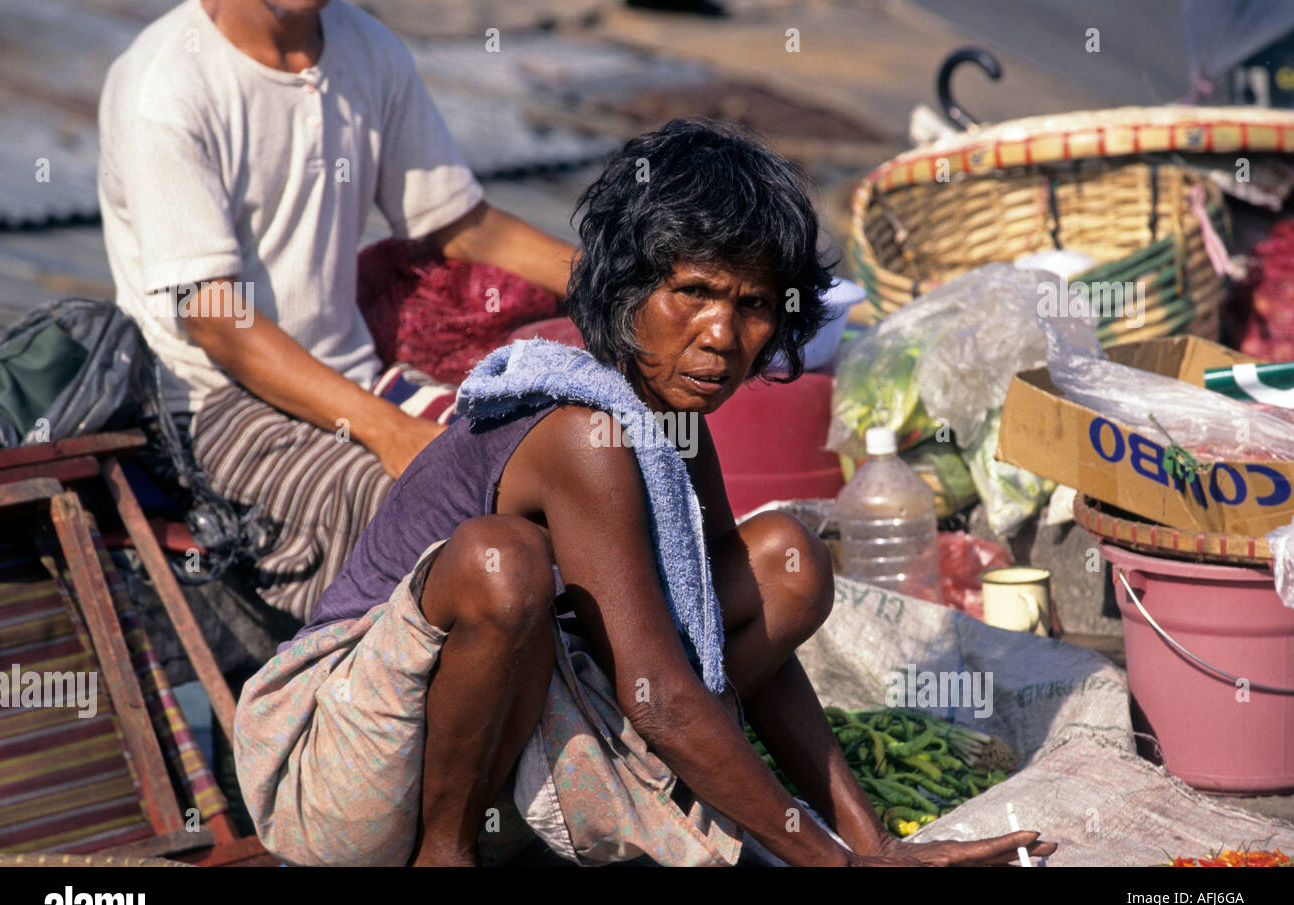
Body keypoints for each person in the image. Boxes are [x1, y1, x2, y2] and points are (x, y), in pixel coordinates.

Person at [232, 118, 1057, 867]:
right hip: (340, 769)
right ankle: (447, 856)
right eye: (693, 293)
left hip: (514, 744)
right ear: (629, 290)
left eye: (754, 306)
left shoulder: (669, 411)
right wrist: (829, 865)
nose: (722, 337)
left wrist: (868, 843)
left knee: (786, 563)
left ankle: (618, 797)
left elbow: (708, 628)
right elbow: (658, 695)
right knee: (500, 563)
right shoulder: (587, 432)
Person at [98, 0, 576, 620]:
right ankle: (358, 704)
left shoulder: (368, 49)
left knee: (549, 462)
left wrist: (615, 281)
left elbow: (460, 224)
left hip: (354, 379)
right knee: (438, 523)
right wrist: (388, 430)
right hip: (208, 404)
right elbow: (216, 319)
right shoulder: (163, 85)